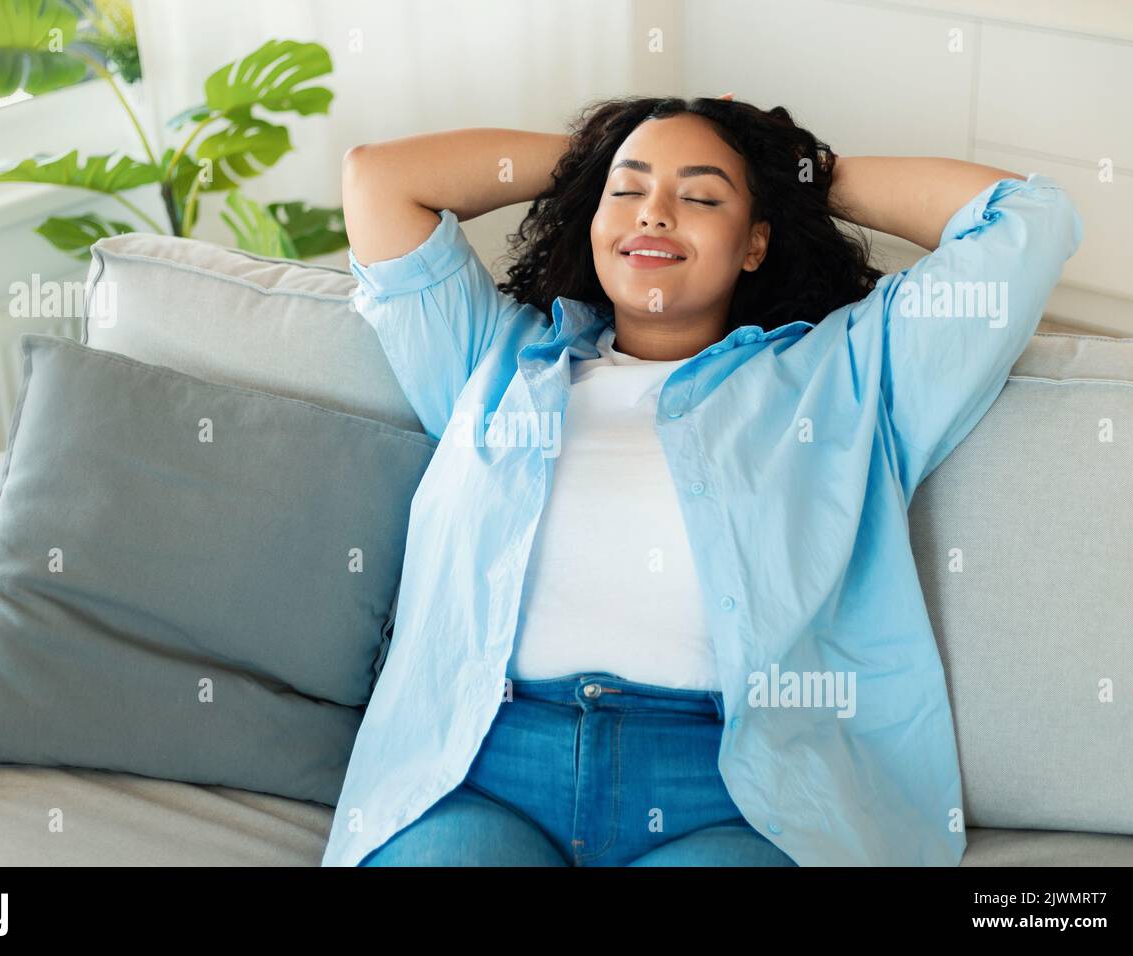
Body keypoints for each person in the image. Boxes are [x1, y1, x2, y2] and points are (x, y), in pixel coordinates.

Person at [323, 93, 1084, 866]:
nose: (654, 214)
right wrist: (602, 156)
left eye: (701, 196)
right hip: (483, 768)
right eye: (627, 192)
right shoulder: (491, 359)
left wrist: (794, 169)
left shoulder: (846, 376)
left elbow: (1030, 221)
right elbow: (380, 179)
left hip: (733, 795)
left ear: (755, 242)